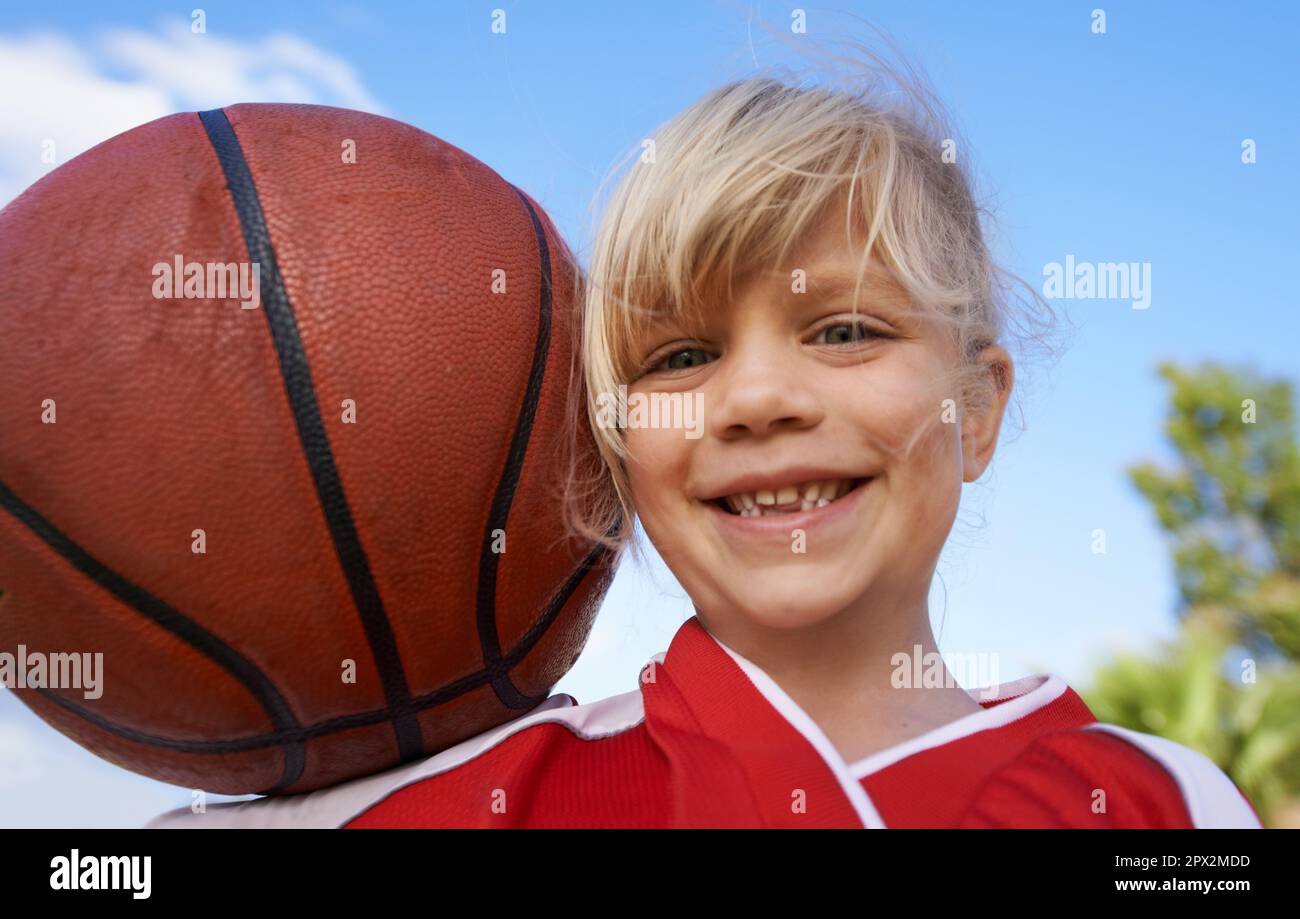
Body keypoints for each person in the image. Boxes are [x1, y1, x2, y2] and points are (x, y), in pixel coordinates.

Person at [149, 53, 1262, 830]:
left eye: (845, 330)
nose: (757, 398)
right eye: (678, 357)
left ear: (975, 408)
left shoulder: (1168, 803)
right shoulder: (462, 801)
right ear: (616, 439)